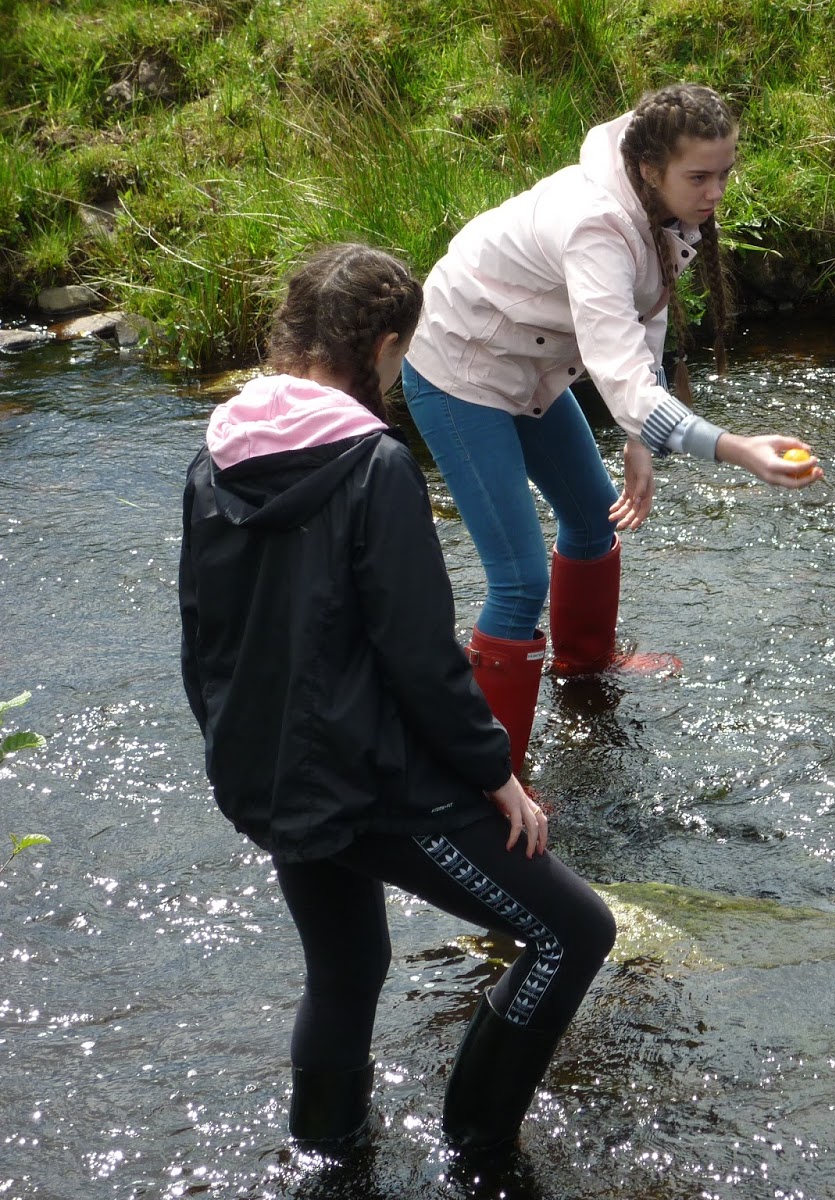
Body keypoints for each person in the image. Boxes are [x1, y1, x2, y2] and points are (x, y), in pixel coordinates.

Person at [179, 243, 616, 1151]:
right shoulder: (375, 466)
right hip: (369, 774)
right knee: (574, 934)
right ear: (383, 347)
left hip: (269, 768)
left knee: (347, 970)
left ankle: (331, 1163)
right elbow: (419, 656)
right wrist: (497, 776)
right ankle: (479, 1151)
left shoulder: (212, 457)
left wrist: (238, 747)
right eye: (400, 356)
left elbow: (206, 639)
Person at [402, 82, 822, 780]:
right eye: (699, 176)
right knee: (517, 578)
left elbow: (643, 319)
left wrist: (640, 436)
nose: (716, 191)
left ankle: (582, 673)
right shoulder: (597, 224)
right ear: (653, 168)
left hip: (529, 364)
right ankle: (490, 780)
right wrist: (736, 448)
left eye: (726, 172)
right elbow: (616, 367)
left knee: (595, 524)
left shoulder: (654, 203)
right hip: (459, 369)